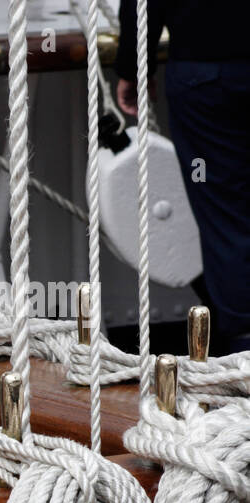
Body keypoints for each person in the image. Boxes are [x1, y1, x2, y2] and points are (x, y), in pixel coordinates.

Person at [117, 1, 250, 354]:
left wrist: (132, 69)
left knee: (225, 214)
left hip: (205, 78)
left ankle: (244, 344)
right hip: (209, 75)